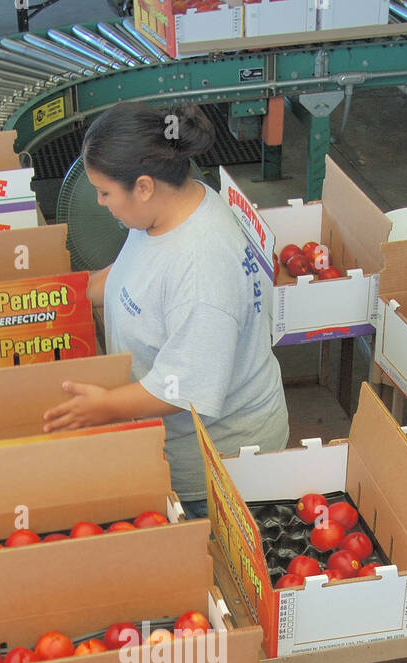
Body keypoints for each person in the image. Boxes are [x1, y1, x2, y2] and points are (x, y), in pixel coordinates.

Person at [41, 103, 289, 516]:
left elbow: (183, 388)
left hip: (215, 468)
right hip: (169, 438)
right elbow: (123, 277)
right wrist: (50, 301)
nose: (101, 203)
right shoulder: (169, 210)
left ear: (143, 186)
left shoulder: (202, 270)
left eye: (105, 192)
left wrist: (104, 406)